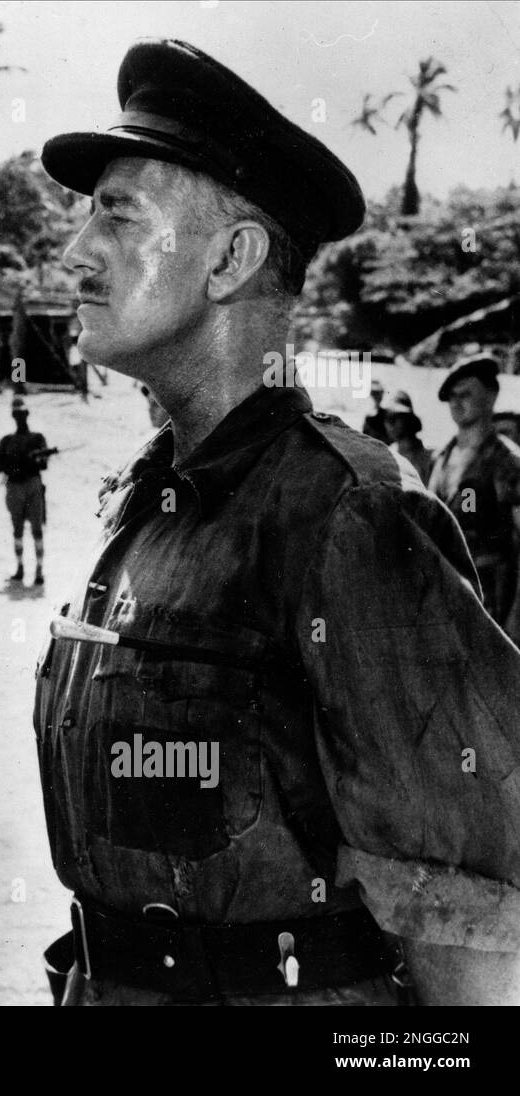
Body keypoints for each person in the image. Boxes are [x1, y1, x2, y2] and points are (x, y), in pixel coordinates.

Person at [34, 38, 520, 1006]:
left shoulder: (350, 515)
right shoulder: (153, 498)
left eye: (116, 217)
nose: (74, 252)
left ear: (230, 258)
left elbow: (468, 940)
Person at [427, 354, 520, 639]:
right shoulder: (440, 457)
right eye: (452, 396)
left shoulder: (508, 462)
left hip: (491, 598)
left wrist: (516, 619)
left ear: (492, 396)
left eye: (466, 394)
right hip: (445, 592)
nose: (456, 402)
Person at [0, 397, 52, 585]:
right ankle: (20, 568)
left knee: (37, 529)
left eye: (22, 414)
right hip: (15, 486)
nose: (20, 418)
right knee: (17, 529)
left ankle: (39, 571)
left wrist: (35, 459)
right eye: (17, 414)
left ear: (27, 414)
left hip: (32, 484)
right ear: (13, 416)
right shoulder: (7, 441)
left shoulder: (37, 439)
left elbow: (44, 464)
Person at [383, 389, 434, 485]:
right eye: (387, 417)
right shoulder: (388, 455)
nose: (390, 423)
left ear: (408, 419)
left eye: (396, 417)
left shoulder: (430, 456)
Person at [361, 378, 390, 443]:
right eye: (373, 393)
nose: (377, 396)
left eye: (378, 393)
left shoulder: (387, 414)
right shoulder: (368, 417)